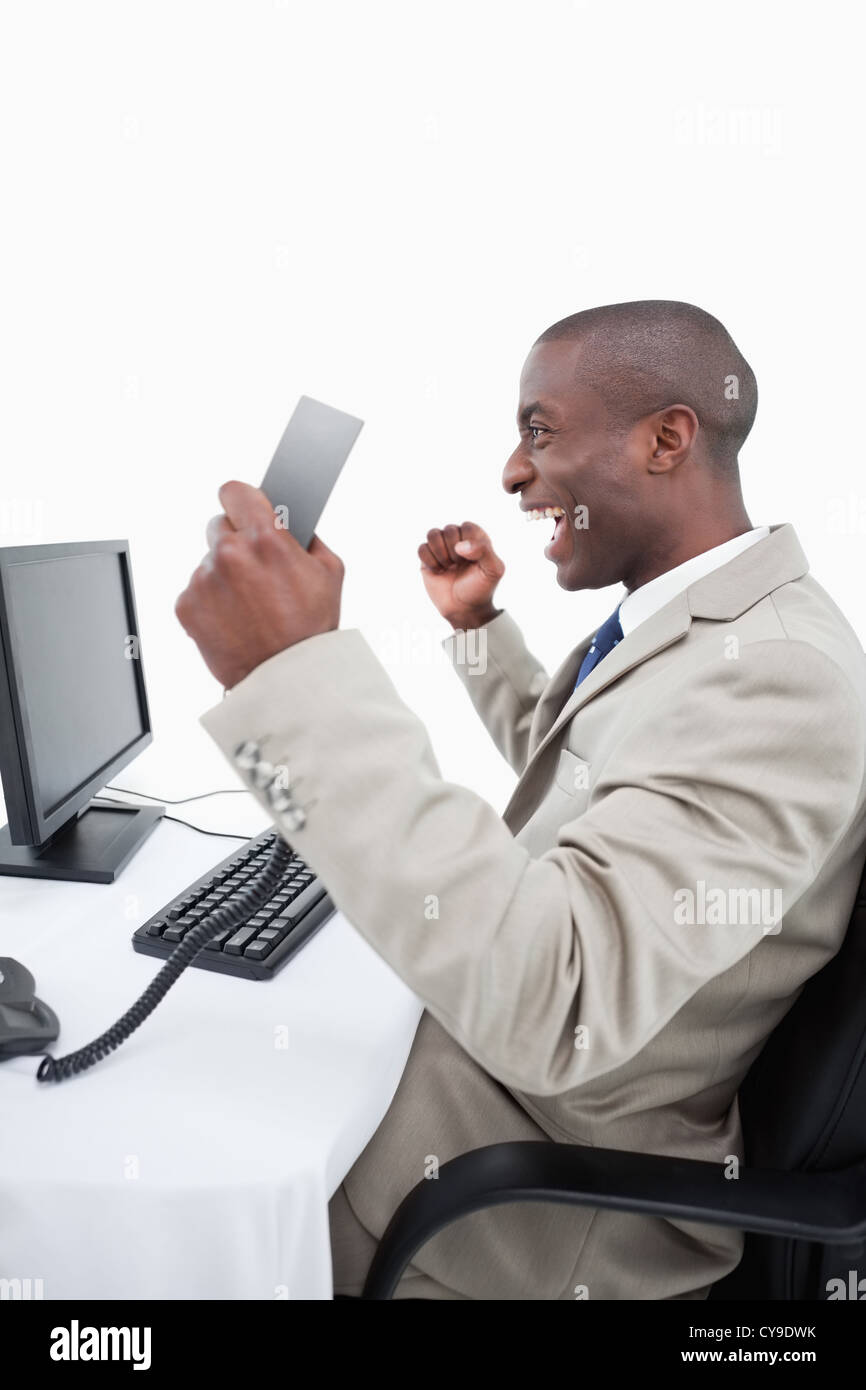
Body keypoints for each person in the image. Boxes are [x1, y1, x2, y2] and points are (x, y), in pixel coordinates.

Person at [176, 300, 866, 1299]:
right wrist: (475, 627)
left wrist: (292, 673)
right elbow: (587, 777)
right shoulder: (714, 626)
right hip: (491, 1101)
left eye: (537, 431)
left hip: (525, 1199)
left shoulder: (779, 676)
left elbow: (560, 1003)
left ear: (666, 437)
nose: (508, 470)